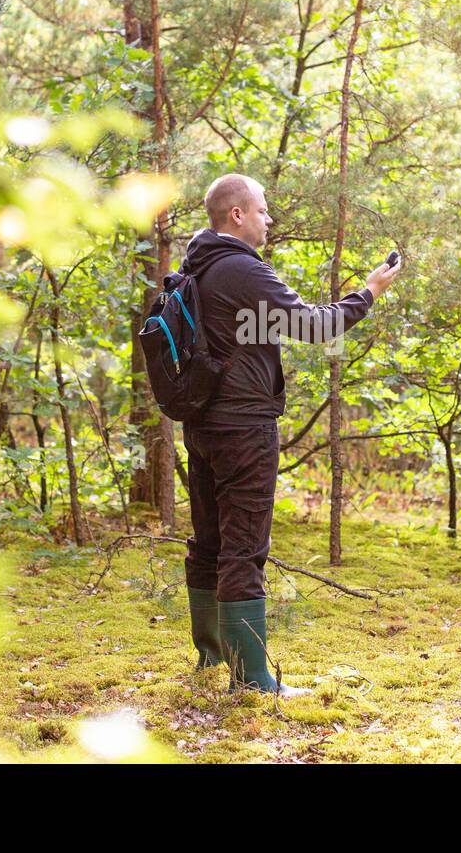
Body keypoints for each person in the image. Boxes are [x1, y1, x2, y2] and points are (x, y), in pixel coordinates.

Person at [179, 173, 400, 696]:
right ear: (237, 215)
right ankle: (253, 678)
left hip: (202, 425)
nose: (269, 219)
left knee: (209, 541)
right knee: (244, 548)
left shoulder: (196, 267)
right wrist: (369, 291)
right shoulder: (240, 270)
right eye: (262, 210)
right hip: (243, 428)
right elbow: (314, 325)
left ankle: (211, 660)